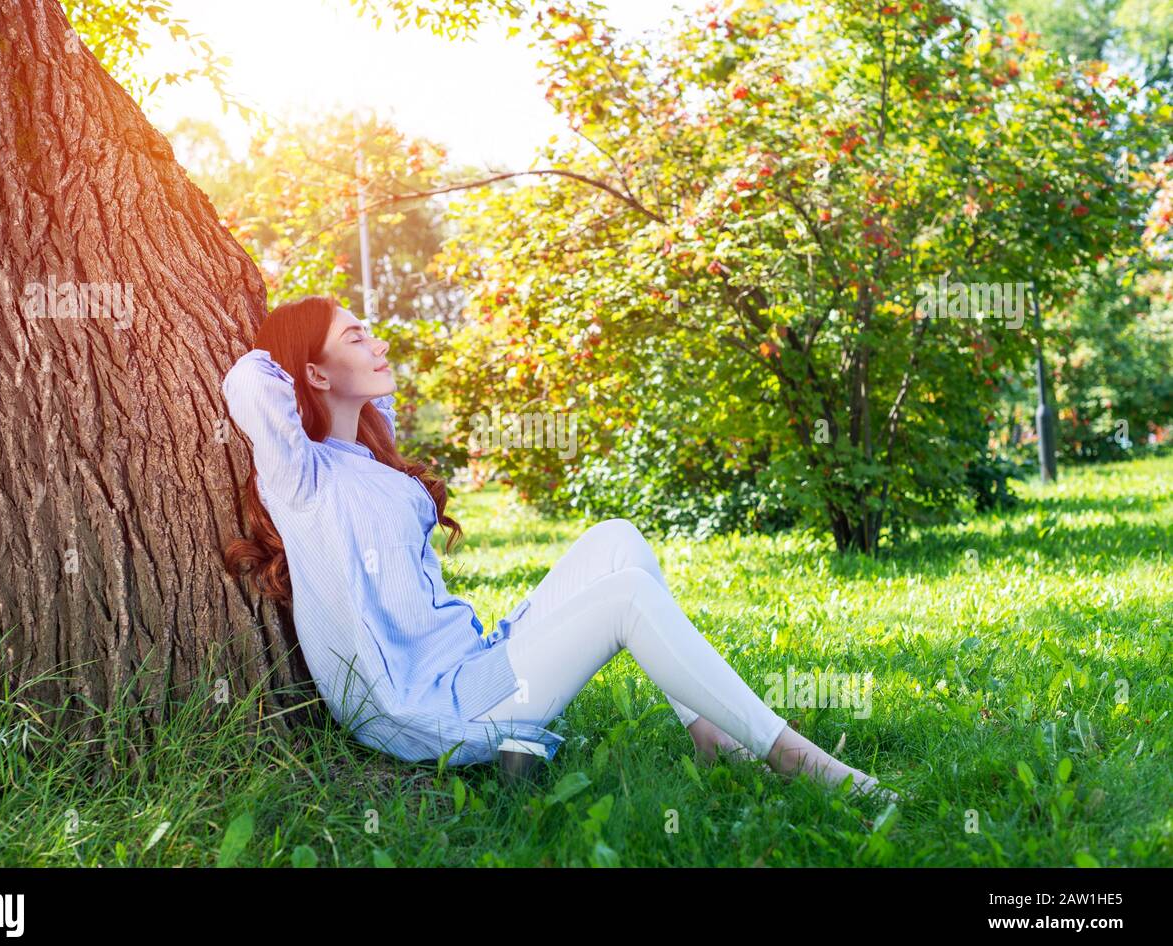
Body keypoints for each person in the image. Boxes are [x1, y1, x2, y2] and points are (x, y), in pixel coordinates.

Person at [222, 294, 895, 800]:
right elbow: (248, 382)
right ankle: (801, 761)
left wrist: (327, 357)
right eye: (355, 335)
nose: (377, 343)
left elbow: (366, 413)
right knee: (627, 598)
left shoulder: (371, 463)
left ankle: (712, 733)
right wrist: (285, 350)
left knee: (616, 540)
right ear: (311, 372)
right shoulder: (304, 479)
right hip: (428, 707)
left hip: (474, 667)